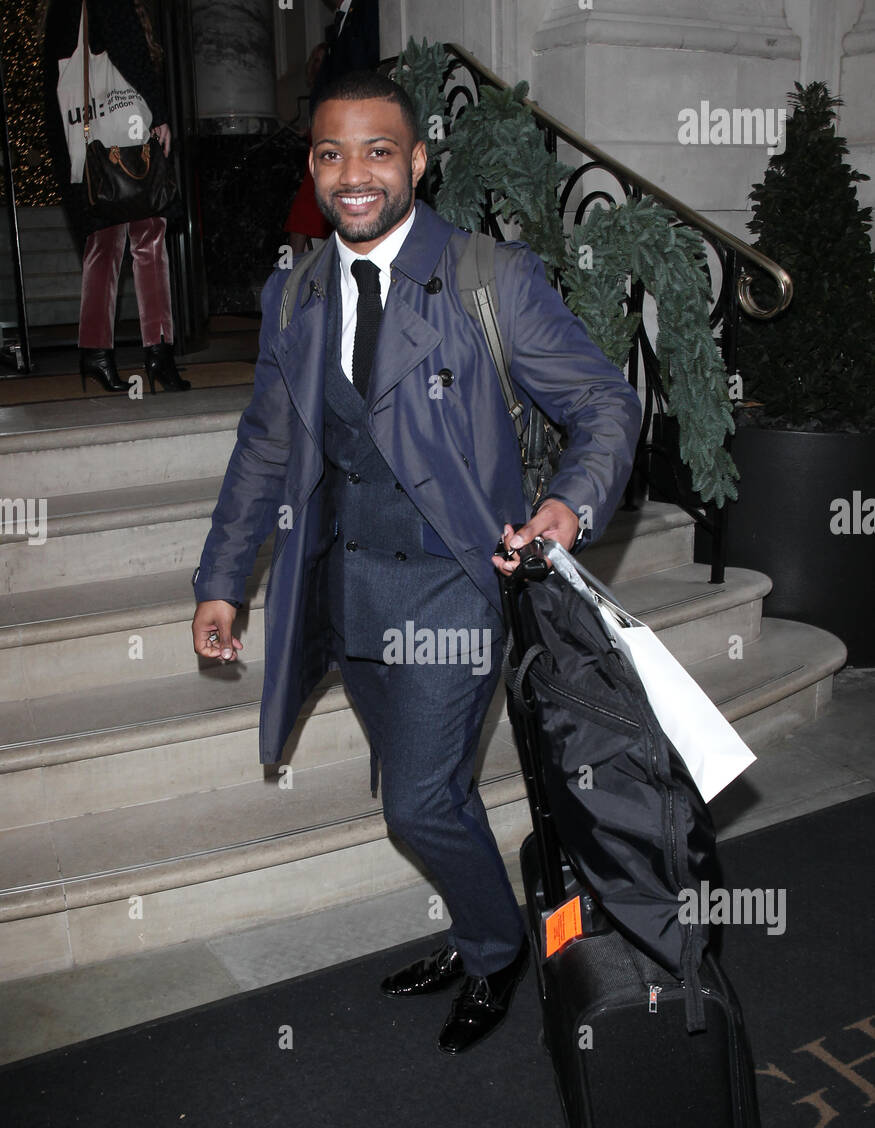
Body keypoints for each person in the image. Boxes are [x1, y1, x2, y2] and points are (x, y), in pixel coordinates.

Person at [191, 71, 642, 1054]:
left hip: (452, 582)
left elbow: (605, 405)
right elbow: (265, 447)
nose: (352, 175)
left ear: (418, 162)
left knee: (414, 800)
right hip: (344, 587)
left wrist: (567, 503)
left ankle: (493, 949)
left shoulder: (491, 279)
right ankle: (475, 923)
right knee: (425, 783)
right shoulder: (293, 292)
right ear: (311, 167)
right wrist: (224, 579)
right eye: (329, 153)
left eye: (377, 151)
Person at [41, 0, 189, 393]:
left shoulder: (59, 10)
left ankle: (95, 353)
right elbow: (129, 50)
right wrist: (158, 113)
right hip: (127, 137)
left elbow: (52, 83)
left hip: (87, 147)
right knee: (148, 240)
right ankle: (159, 353)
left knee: (102, 245)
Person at [284, 0, 380, 256]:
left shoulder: (364, 10)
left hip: (348, 127)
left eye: (319, 59)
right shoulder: (340, 20)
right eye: (314, 61)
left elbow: (365, 65)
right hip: (330, 132)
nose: (317, 64)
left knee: (323, 196)